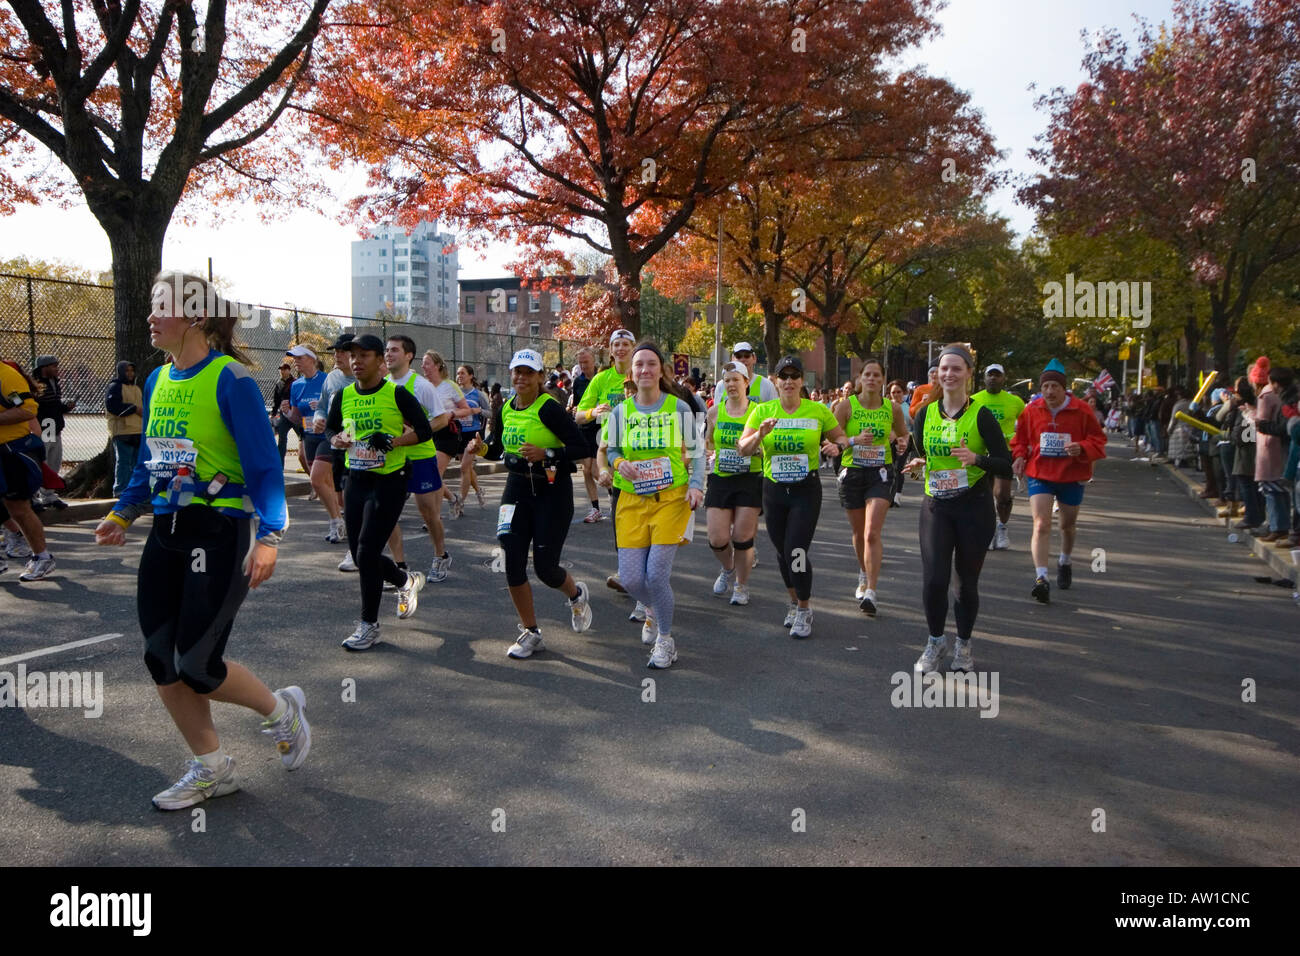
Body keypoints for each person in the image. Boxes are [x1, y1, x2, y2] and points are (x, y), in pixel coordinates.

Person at [93, 270, 307, 810]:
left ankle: (281, 711)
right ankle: (213, 769)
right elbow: (150, 457)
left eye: (159, 305)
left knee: (198, 666)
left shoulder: (230, 378)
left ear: (195, 316)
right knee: (159, 659)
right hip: (166, 532)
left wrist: (271, 536)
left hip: (218, 532)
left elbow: (264, 467)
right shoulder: (157, 379)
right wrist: (124, 512)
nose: (149, 316)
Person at [901, 344, 1013, 673]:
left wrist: (977, 459)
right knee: (934, 579)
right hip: (937, 505)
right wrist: (918, 463)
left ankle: (963, 644)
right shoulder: (925, 413)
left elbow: (1005, 465)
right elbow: (918, 453)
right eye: (943, 369)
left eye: (956, 368)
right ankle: (936, 642)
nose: (949, 374)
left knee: (965, 582)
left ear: (968, 374)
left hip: (974, 507)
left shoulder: (981, 415)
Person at [597, 341, 705, 668]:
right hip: (630, 500)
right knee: (631, 579)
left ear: (661, 371)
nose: (645, 370)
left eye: (651, 364)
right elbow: (611, 451)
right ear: (631, 372)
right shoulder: (620, 412)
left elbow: (697, 452)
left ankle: (666, 640)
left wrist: (697, 486)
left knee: (656, 576)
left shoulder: (679, 409)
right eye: (639, 364)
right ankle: (656, 610)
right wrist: (617, 465)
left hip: (671, 500)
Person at [327, 335, 436, 650]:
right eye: (352, 356)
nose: (356, 361)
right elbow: (334, 430)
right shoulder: (343, 395)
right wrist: (337, 441)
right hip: (357, 478)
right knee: (365, 557)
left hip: (391, 478)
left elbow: (425, 431)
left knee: (365, 552)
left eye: (364, 355)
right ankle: (405, 581)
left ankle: (368, 625)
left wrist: (392, 441)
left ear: (379, 360)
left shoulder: (397, 394)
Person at [737, 355, 849, 638]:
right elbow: (743, 450)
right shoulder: (762, 411)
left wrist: (837, 447)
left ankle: (804, 607)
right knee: (781, 552)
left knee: (796, 551)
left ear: (802, 381)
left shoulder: (817, 411)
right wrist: (760, 435)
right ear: (775, 380)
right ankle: (793, 601)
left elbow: (841, 438)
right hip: (774, 491)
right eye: (783, 376)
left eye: (794, 376)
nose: (788, 381)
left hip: (805, 491)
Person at [494, 348, 594, 658]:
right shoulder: (506, 408)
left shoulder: (549, 408)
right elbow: (496, 446)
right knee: (511, 555)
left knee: (546, 569)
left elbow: (580, 446)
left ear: (540, 377)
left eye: (528, 373)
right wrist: (477, 446)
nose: (521, 378)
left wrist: (546, 454)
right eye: (517, 372)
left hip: (552, 491)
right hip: (516, 488)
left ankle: (575, 595)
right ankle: (531, 631)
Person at [1010, 358, 1107, 604]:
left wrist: (1082, 447)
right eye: (1046, 387)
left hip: (1071, 474)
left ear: (1064, 388)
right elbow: (1019, 440)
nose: (1050, 391)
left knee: (1067, 525)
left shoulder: (1082, 410)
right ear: (1040, 389)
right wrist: (1020, 456)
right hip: (1040, 472)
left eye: (1055, 386)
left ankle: (1065, 559)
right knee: (1041, 523)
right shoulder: (1031, 410)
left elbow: (1098, 440)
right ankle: (1041, 578)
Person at [834, 358, 909, 616]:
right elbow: (834, 435)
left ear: (883, 380)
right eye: (868, 374)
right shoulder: (846, 406)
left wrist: (901, 443)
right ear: (860, 379)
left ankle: (871, 592)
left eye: (877, 375)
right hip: (853, 472)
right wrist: (854, 440)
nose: (872, 379)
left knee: (871, 533)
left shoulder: (893, 408)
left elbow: (903, 434)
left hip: (880, 473)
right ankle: (863, 573)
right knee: (858, 534)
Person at [386, 337, 453, 584]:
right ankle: (399, 566)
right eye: (386, 350)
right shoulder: (382, 385)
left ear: (408, 356)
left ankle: (440, 555)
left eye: (394, 350)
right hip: (393, 458)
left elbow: (442, 419)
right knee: (387, 514)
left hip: (421, 457)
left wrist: (414, 434)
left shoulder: (421, 386)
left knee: (428, 514)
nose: (388, 354)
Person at [576, 329, 637, 592]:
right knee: (620, 517)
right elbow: (578, 415)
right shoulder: (601, 379)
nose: (621, 349)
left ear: (633, 347)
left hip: (643, 453)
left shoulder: (643, 373)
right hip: (610, 451)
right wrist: (594, 411)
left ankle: (644, 570)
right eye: (616, 345)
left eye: (625, 344)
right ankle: (627, 571)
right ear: (610, 351)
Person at [704, 361, 763, 606]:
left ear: (746, 383)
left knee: (742, 537)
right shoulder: (714, 412)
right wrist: (710, 454)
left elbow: (769, 444)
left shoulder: (758, 411)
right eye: (726, 380)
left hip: (750, 478)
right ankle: (728, 568)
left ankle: (741, 584)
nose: (730, 384)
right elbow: (708, 441)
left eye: (735, 379)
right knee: (717, 539)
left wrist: (757, 450)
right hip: (721, 478)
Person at [0, 353, 54, 579]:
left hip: (10, 452)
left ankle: (42, 557)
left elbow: (27, 409)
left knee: (19, 509)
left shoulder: (6, 375)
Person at [970, 364, 1026, 550]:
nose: (993, 378)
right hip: (981, 453)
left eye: (997, 375)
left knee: (1002, 494)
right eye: (990, 375)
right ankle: (987, 531)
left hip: (1004, 453)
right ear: (984, 378)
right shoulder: (973, 400)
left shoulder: (1015, 402)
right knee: (982, 495)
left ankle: (1002, 527)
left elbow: (1027, 426)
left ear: (1004, 378)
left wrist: (1021, 448)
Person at [316, 334, 357, 562]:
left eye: (342, 351)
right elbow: (322, 406)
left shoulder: (365, 380)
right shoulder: (331, 378)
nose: (337, 355)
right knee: (316, 479)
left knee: (348, 499)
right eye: (335, 351)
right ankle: (336, 521)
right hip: (331, 437)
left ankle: (355, 549)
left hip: (354, 442)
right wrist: (319, 417)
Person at [420, 350, 469, 517]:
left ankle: (433, 516)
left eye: (427, 363)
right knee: (430, 473)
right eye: (422, 363)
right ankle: (453, 498)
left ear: (438, 365)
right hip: (428, 431)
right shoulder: (421, 386)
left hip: (448, 431)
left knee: (435, 472)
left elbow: (466, 410)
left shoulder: (449, 386)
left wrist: (452, 414)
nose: (423, 366)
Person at [568, 346, 606, 522]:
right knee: (586, 470)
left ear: (594, 361)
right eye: (580, 362)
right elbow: (577, 405)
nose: (583, 366)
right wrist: (576, 409)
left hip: (600, 427)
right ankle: (595, 508)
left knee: (598, 471)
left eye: (586, 362)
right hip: (584, 428)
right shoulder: (578, 382)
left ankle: (616, 494)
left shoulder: (602, 378)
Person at [32, 354, 74, 509]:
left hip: (55, 426)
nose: (57, 369)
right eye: (53, 366)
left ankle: (48, 495)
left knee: (54, 461)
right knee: (43, 462)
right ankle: (34, 496)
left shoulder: (54, 383)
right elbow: (38, 407)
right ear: (44, 368)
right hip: (45, 426)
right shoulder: (36, 384)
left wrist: (64, 407)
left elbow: (54, 405)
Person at [105, 360, 143, 497]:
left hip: (137, 429)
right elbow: (113, 406)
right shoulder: (115, 387)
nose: (130, 374)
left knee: (135, 462)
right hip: (122, 430)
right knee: (124, 462)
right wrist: (133, 409)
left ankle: (133, 489)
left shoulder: (136, 388)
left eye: (132, 371)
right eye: (127, 371)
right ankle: (120, 489)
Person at [454, 364, 487, 508]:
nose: (459, 376)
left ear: (470, 376)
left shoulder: (478, 394)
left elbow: (490, 412)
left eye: (463, 373)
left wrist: (476, 410)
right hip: (458, 433)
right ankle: (479, 491)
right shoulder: (454, 393)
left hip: (473, 434)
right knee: (467, 468)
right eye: (458, 373)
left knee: (464, 467)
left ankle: (460, 503)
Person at [712, 342, 778, 404]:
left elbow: (774, 412)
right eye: (738, 356)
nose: (743, 359)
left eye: (747, 356)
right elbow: (717, 412)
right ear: (732, 359)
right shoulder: (721, 385)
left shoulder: (767, 385)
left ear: (754, 358)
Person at [269, 359, 298, 466]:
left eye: (284, 369)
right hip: (284, 416)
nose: (282, 371)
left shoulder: (295, 382)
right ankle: (280, 465)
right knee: (282, 440)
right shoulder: (279, 383)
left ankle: (305, 457)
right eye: (281, 369)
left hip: (294, 414)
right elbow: (276, 400)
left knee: (302, 437)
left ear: (289, 370)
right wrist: (273, 412)